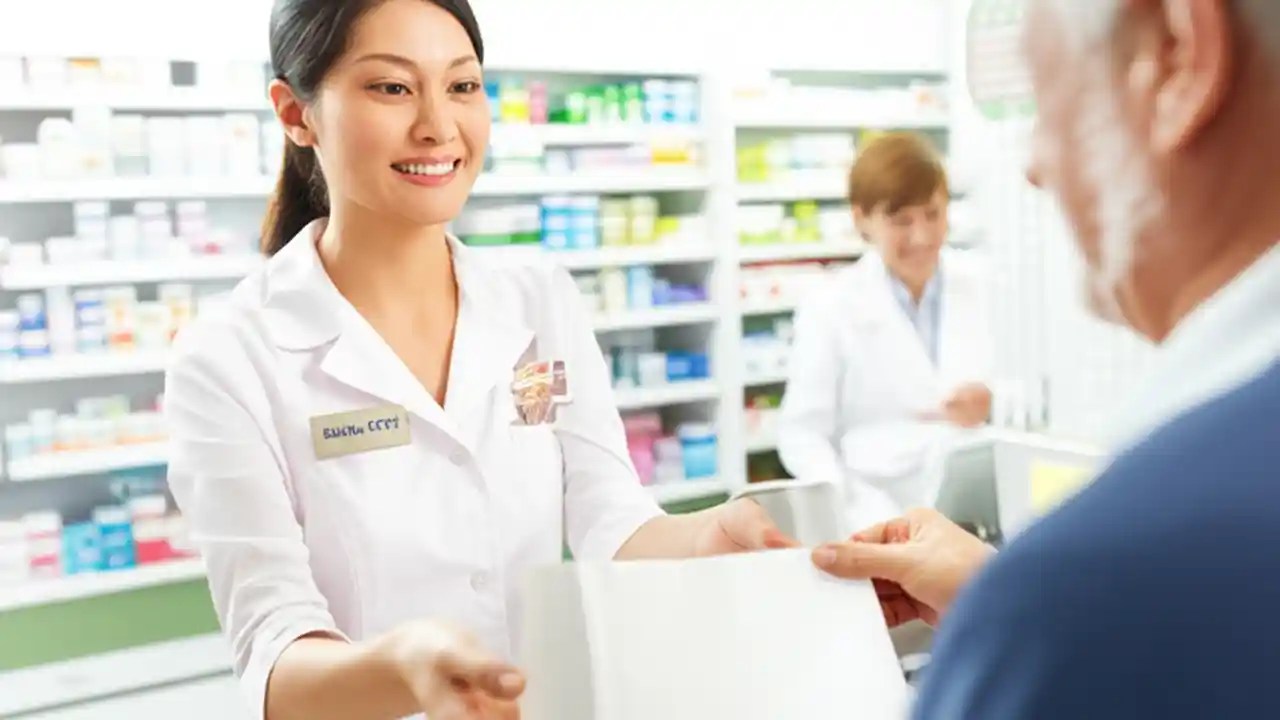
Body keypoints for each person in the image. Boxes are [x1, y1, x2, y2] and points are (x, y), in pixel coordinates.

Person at [163, 2, 792, 719]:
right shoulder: (228, 356)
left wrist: (711, 534)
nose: (438, 125)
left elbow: (609, 519)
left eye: (462, 86)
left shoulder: (537, 305)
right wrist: (405, 668)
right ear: (295, 113)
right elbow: (275, 652)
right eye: (392, 88)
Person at [812, 0, 1280, 717]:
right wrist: (994, 588)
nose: (1034, 165)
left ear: (1177, 59)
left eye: (1046, 92)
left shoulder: (1105, 580)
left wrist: (1027, 613)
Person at [778, 132, 993, 531]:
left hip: (974, 509)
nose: (922, 236)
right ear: (862, 220)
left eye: (933, 214)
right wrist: (846, 509)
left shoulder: (985, 284)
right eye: (901, 221)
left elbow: (1031, 394)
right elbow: (802, 434)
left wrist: (991, 403)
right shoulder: (830, 307)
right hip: (873, 513)